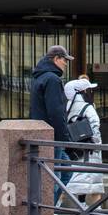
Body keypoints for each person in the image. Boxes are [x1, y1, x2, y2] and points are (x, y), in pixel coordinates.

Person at [29, 45, 74, 191]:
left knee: (65, 172)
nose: (66, 64)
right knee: (55, 178)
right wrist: (64, 139)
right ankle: (46, 212)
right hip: (52, 136)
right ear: (56, 59)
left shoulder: (39, 78)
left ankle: (47, 210)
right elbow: (56, 112)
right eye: (64, 60)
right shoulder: (53, 79)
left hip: (42, 133)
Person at [63, 78, 103, 198]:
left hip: (72, 149)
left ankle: (57, 207)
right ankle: (93, 210)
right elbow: (95, 125)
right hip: (89, 149)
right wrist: (96, 144)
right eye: (88, 89)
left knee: (69, 180)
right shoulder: (87, 107)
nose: (89, 92)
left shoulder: (65, 107)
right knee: (92, 181)